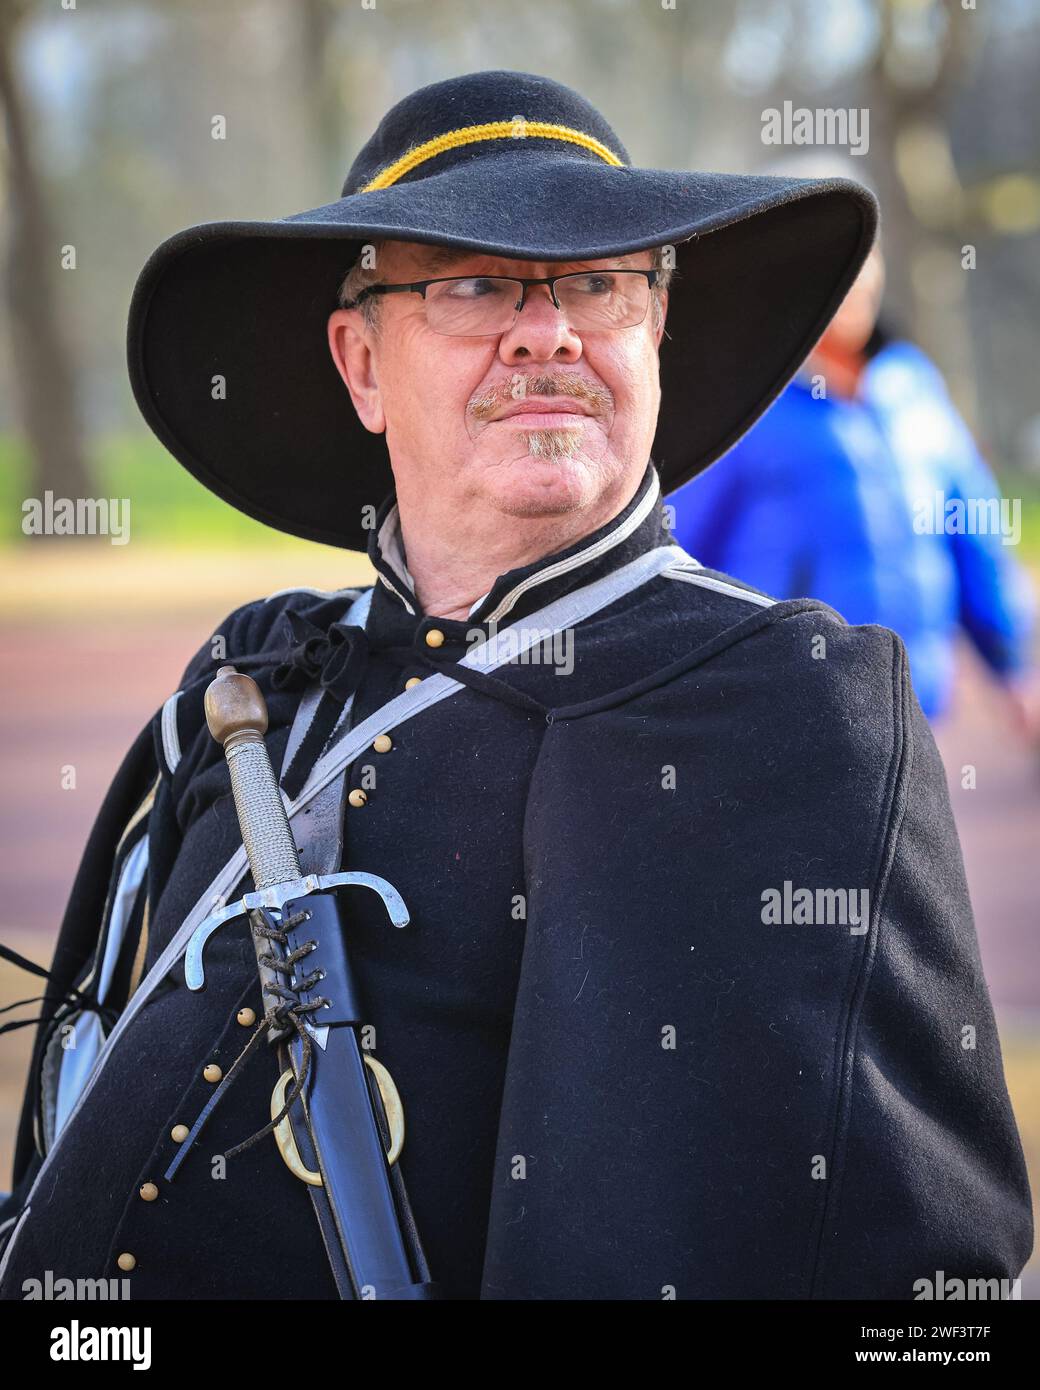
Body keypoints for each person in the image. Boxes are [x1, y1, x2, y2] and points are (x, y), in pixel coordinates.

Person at [0, 70, 1031, 1301]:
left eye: (597, 283)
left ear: (653, 336)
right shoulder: (256, 678)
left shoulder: (797, 705)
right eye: (472, 282)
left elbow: (905, 1280)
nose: (545, 329)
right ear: (362, 363)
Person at [669, 243, 1036, 727]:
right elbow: (679, 554)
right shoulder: (746, 403)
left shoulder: (913, 385)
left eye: (867, 258)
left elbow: (971, 528)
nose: (857, 280)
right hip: (784, 711)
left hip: (914, 707)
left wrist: (1009, 664)